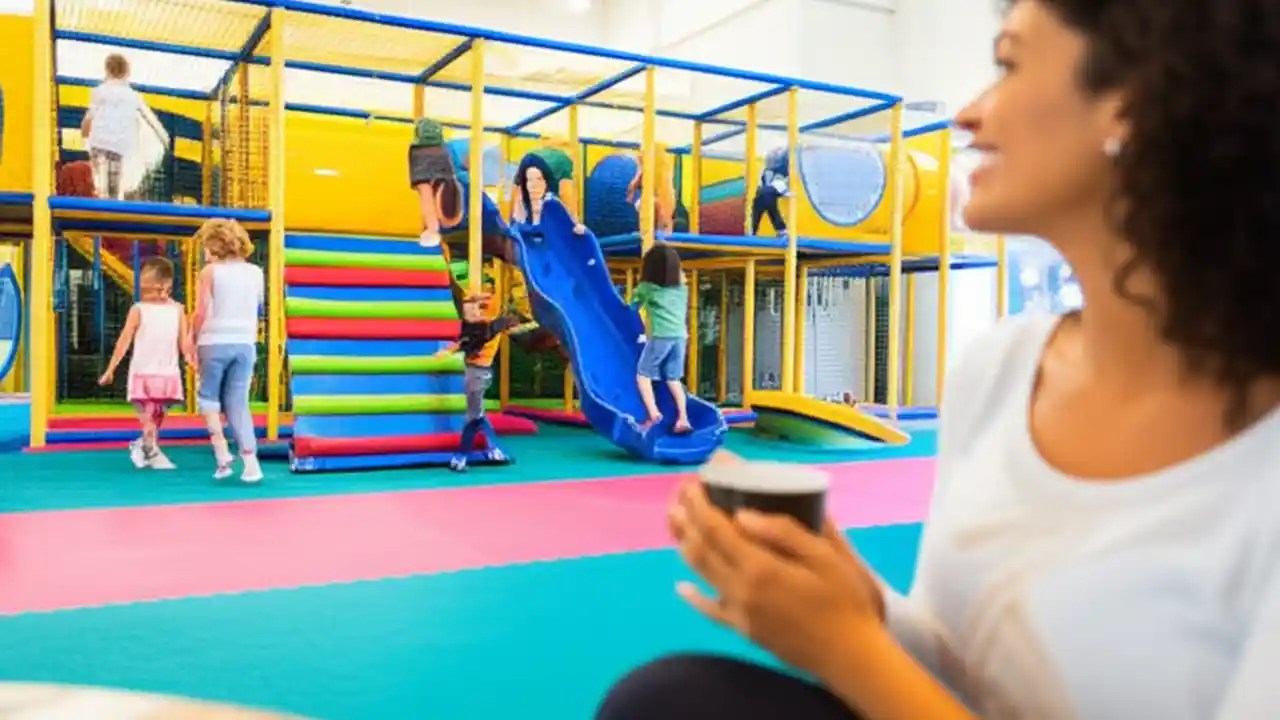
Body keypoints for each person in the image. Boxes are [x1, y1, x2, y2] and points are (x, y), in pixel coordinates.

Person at [596, 1, 1280, 718]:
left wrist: (844, 645)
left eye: (1009, 65)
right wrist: (853, 595)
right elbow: (961, 667)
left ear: (1132, 104)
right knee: (668, 701)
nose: (968, 115)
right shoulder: (1004, 369)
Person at [97, 256, 191, 470]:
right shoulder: (138, 309)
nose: (148, 295)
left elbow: (183, 342)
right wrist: (110, 369)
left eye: (154, 290)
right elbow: (124, 340)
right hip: (143, 371)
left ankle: (144, 445)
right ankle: (152, 449)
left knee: (159, 413)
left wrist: (193, 361)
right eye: (144, 290)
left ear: (167, 285)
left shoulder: (177, 310)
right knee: (148, 414)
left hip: (167, 371)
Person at [190, 218, 265, 483]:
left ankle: (222, 455)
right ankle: (250, 461)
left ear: (214, 246)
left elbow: (201, 312)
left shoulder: (210, 272)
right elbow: (258, 307)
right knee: (237, 402)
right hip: (245, 343)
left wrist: (191, 338)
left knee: (208, 397)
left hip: (214, 340)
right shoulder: (256, 272)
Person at [432, 294, 533, 473]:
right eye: (468, 310)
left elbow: (470, 342)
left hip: (478, 375)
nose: (470, 313)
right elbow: (464, 340)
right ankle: (494, 450)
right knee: (477, 415)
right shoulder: (477, 327)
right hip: (474, 374)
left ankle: (461, 457)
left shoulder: (488, 328)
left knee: (473, 418)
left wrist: (448, 352)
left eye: (473, 310)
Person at [79, 53, 169, 200]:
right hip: (119, 146)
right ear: (127, 72)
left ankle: (101, 198)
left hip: (99, 143)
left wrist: (84, 132)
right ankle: (112, 203)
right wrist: (164, 137)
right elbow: (149, 118)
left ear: (107, 70)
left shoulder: (99, 91)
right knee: (115, 183)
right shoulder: (133, 95)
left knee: (100, 179)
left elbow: (90, 116)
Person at [630, 244, 692, 433]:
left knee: (643, 374)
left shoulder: (647, 288)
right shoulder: (682, 289)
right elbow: (680, 277)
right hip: (680, 337)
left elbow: (632, 306)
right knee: (673, 378)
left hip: (661, 336)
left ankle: (654, 414)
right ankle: (683, 418)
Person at [511, 149, 587, 234]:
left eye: (539, 180)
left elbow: (571, 224)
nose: (534, 186)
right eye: (530, 180)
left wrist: (577, 227)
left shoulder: (553, 204)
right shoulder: (521, 201)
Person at [625, 147, 676, 235]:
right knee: (664, 217)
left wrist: (632, 189)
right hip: (662, 195)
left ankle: (655, 233)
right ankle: (661, 234)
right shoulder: (666, 154)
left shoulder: (646, 152)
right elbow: (640, 174)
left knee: (659, 213)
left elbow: (640, 174)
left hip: (657, 195)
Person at [750, 147, 789, 236]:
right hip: (768, 193)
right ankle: (780, 229)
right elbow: (761, 184)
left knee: (765, 194)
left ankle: (753, 228)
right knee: (762, 197)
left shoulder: (784, 169)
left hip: (779, 189)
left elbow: (785, 182)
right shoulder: (766, 171)